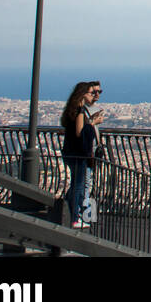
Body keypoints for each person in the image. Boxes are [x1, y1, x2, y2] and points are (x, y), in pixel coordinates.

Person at [59, 82, 103, 227]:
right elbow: (80, 133)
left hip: (70, 152)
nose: (93, 95)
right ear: (83, 94)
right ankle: (74, 218)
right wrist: (92, 123)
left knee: (78, 185)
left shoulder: (71, 110)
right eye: (91, 93)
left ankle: (66, 212)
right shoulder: (79, 111)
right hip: (78, 154)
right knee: (79, 185)